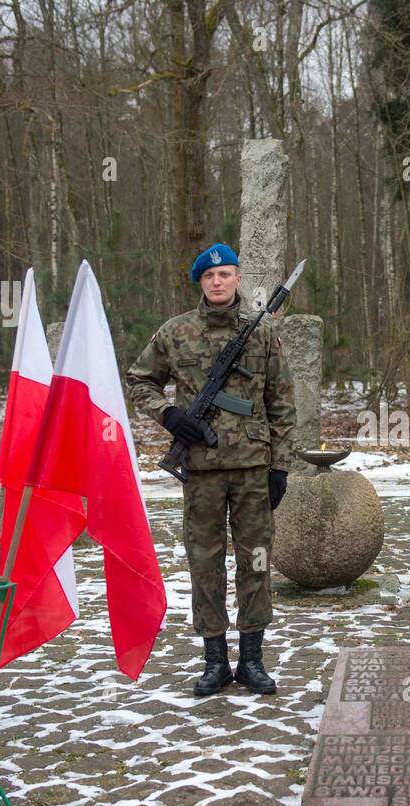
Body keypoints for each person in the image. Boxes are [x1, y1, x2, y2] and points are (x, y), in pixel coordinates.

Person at [126, 242, 297, 696]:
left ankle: (253, 660)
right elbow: (139, 379)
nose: (218, 282)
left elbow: (281, 402)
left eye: (226, 274)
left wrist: (280, 466)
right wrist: (168, 415)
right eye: (209, 276)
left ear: (238, 279)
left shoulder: (261, 335)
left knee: (255, 561)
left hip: (252, 472)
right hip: (200, 470)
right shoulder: (176, 332)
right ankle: (215, 661)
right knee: (205, 564)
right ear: (201, 282)